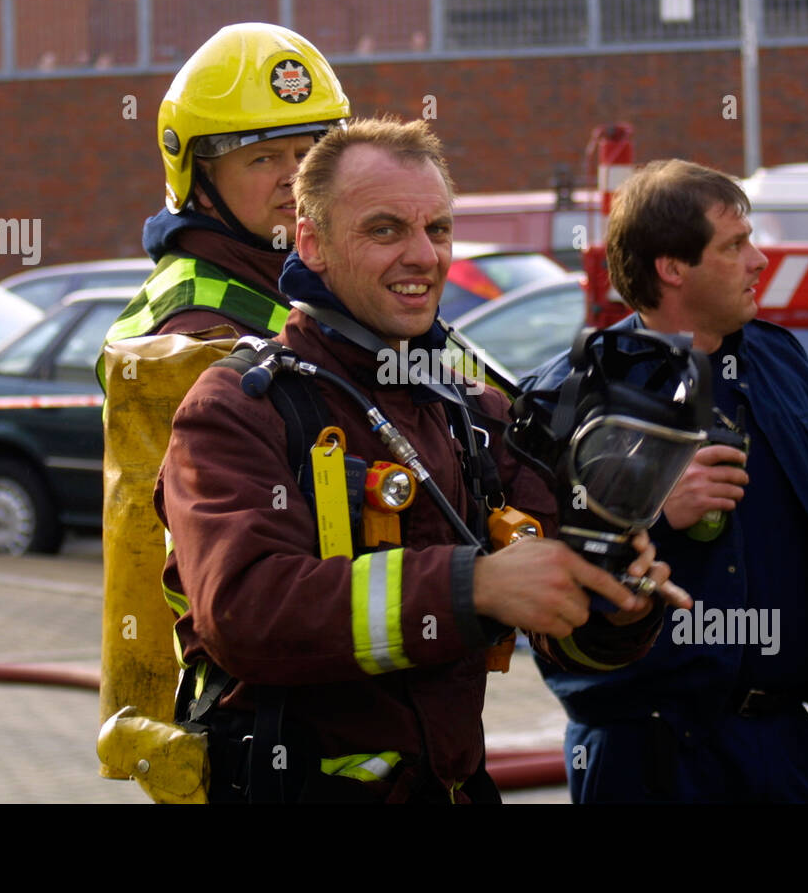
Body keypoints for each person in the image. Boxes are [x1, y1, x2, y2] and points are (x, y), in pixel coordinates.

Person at [154, 118, 690, 803]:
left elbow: (573, 626)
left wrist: (618, 598)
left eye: (436, 230)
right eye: (384, 231)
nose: (423, 256)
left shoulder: (472, 411)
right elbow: (245, 613)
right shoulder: (238, 408)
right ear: (311, 243)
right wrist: (474, 587)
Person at [524, 159, 808, 803]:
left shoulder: (782, 361)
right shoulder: (574, 393)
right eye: (735, 245)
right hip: (644, 756)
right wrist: (649, 512)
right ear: (672, 268)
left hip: (781, 745)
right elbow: (534, 575)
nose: (759, 260)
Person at [97, 22, 351, 385]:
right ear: (201, 185)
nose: (295, 177)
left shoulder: (316, 274)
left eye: (308, 153)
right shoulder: (194, 337)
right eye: (264, 158)